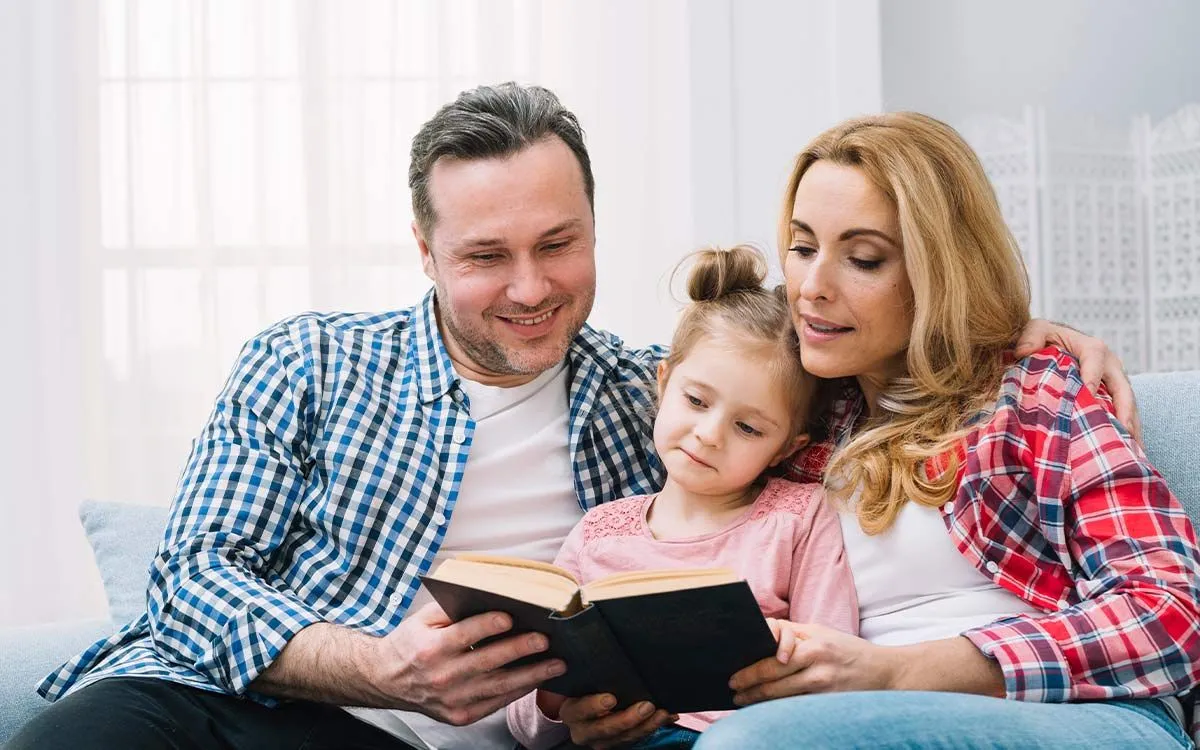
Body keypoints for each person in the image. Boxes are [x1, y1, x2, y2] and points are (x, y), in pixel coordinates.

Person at [8, 85, 1143, 750]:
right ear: (425, 252)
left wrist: (1017, 329)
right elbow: (193, 576)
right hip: (263, 707)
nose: (531, 287)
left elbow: (817, 346)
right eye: (485, 257)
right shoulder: (307, 362)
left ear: (597, 224)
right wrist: (376, 670)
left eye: (559, 245)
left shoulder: (662, 395)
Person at [556, 112, 1200, 750]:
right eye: (803, 247)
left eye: (862, 259)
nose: (811, 287)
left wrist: (895, 672)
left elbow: (1171, 616)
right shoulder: (797, 410)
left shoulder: (1032, 390)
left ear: (939, 272)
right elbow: (695, 373)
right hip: (841, 717)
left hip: (1076, 713)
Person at [506, 246, 859, 750]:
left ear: (787, 446)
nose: (710, 435)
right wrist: (563, 706)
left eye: (748, 427)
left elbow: (835, 663)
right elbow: (526, 721)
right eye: (696, 401)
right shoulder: (599, 532)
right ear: (664, 381)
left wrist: (784, 654)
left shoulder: (798, 517)